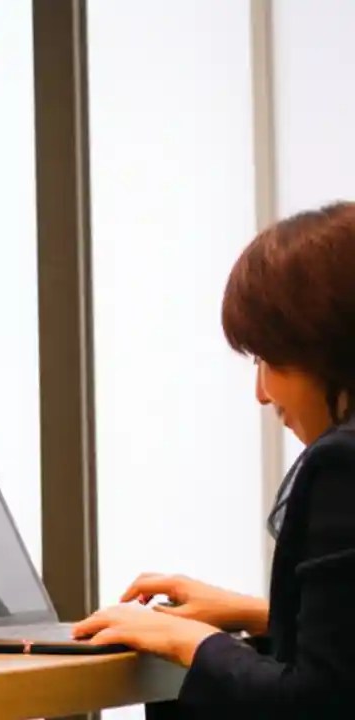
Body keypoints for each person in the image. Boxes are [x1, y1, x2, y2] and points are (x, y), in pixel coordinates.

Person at [72, 202, 355, 718]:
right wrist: (258, 614)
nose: (262, 394)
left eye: (268, 360)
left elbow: (319, 702)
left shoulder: (342, 466)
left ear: (327, 347)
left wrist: (186, 641)